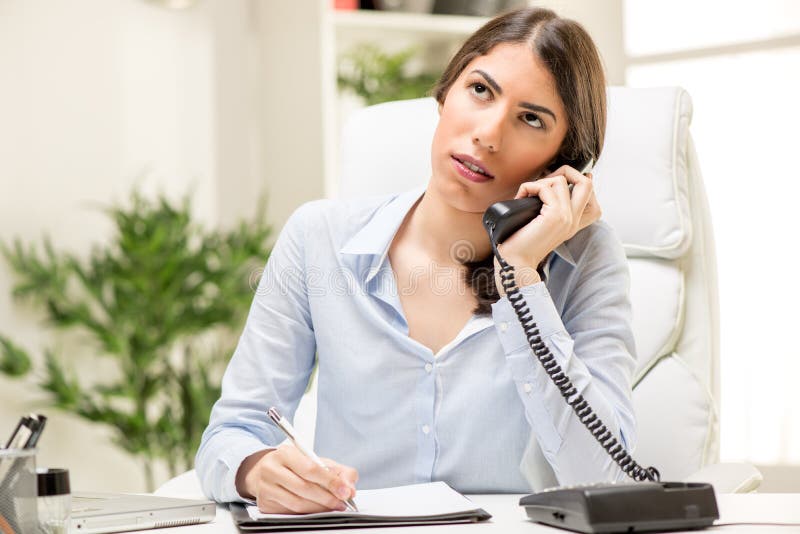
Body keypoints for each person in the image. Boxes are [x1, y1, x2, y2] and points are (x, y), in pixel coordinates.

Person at [196, 6, 637, 514]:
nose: (489, 134)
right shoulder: (318, 237)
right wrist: (256, 470)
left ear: (562, 162)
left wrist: (521, 279)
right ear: (445, 92)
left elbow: (605, 481)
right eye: (480, 91)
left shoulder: (587, 261)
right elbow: (231, 432)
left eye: (531, 119)